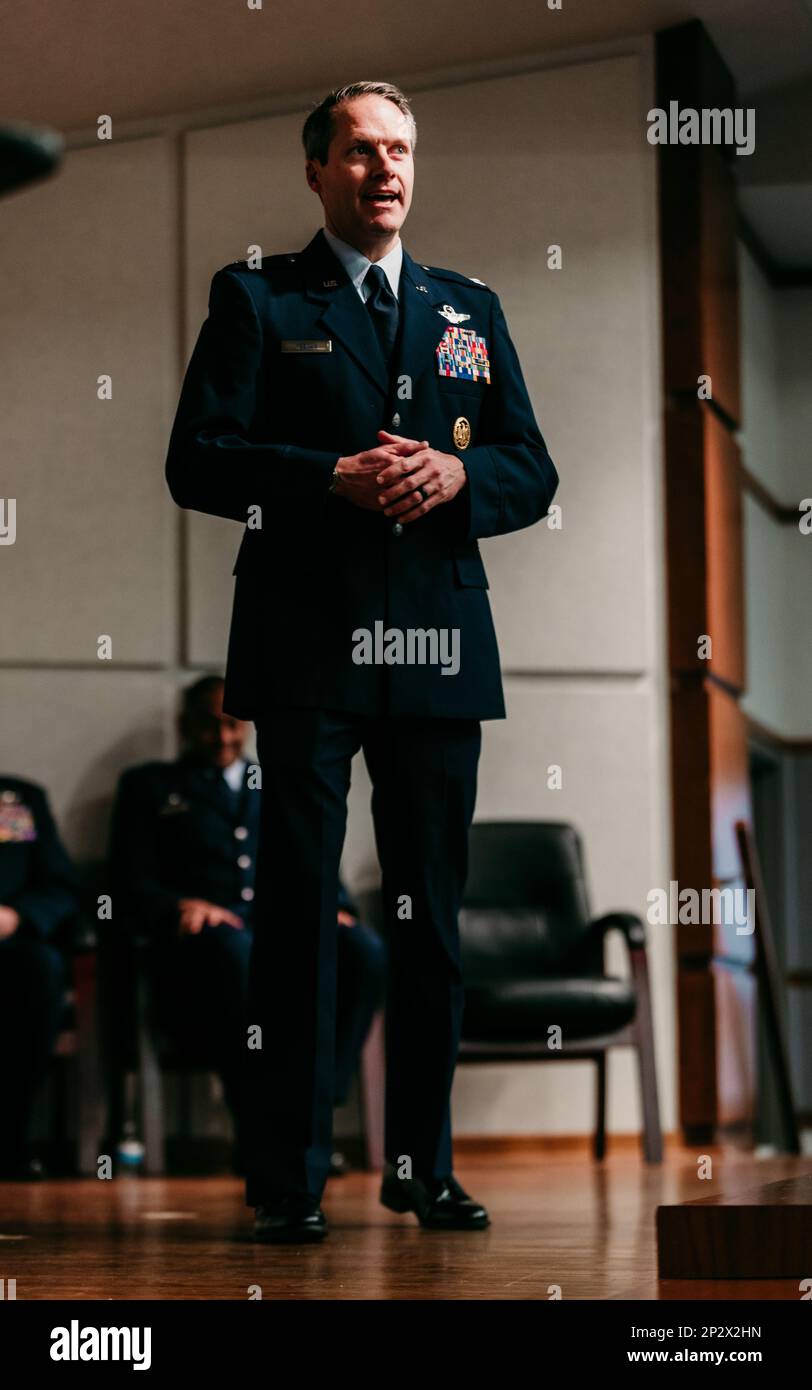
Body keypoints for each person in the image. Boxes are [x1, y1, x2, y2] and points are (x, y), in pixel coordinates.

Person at [165, 81, 558, 1241]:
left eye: (400, 150)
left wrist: (458, 479)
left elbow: (531, 469)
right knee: (295, 912)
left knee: (427, 915)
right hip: (302, 645)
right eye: (359, 149)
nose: (384, 168)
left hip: (436, 640)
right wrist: (323, 474)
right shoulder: (254, 296)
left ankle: (421, 1169)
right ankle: (289, 1177)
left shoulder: (468, 308)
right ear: (316, 171)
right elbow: (197, 461)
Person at [108, 674, 384, 1174]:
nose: (224, 739)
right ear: (184, 726)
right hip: (199, 948)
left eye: (234, 725)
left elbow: (317, 857)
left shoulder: (279, 779)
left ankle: (315, 1106)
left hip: (279, 933)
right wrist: (180, 904)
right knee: (233, 951)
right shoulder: (149, 786)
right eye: (210, 725)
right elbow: (127, 882)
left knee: (364, 949)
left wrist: (335, 904)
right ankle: (263, 1129)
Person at [0, 775, 78, 1179]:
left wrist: (15, 916)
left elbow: (60, 886)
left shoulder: (17, 799)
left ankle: (10, 1139)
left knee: (41, 970)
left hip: (8, 944)